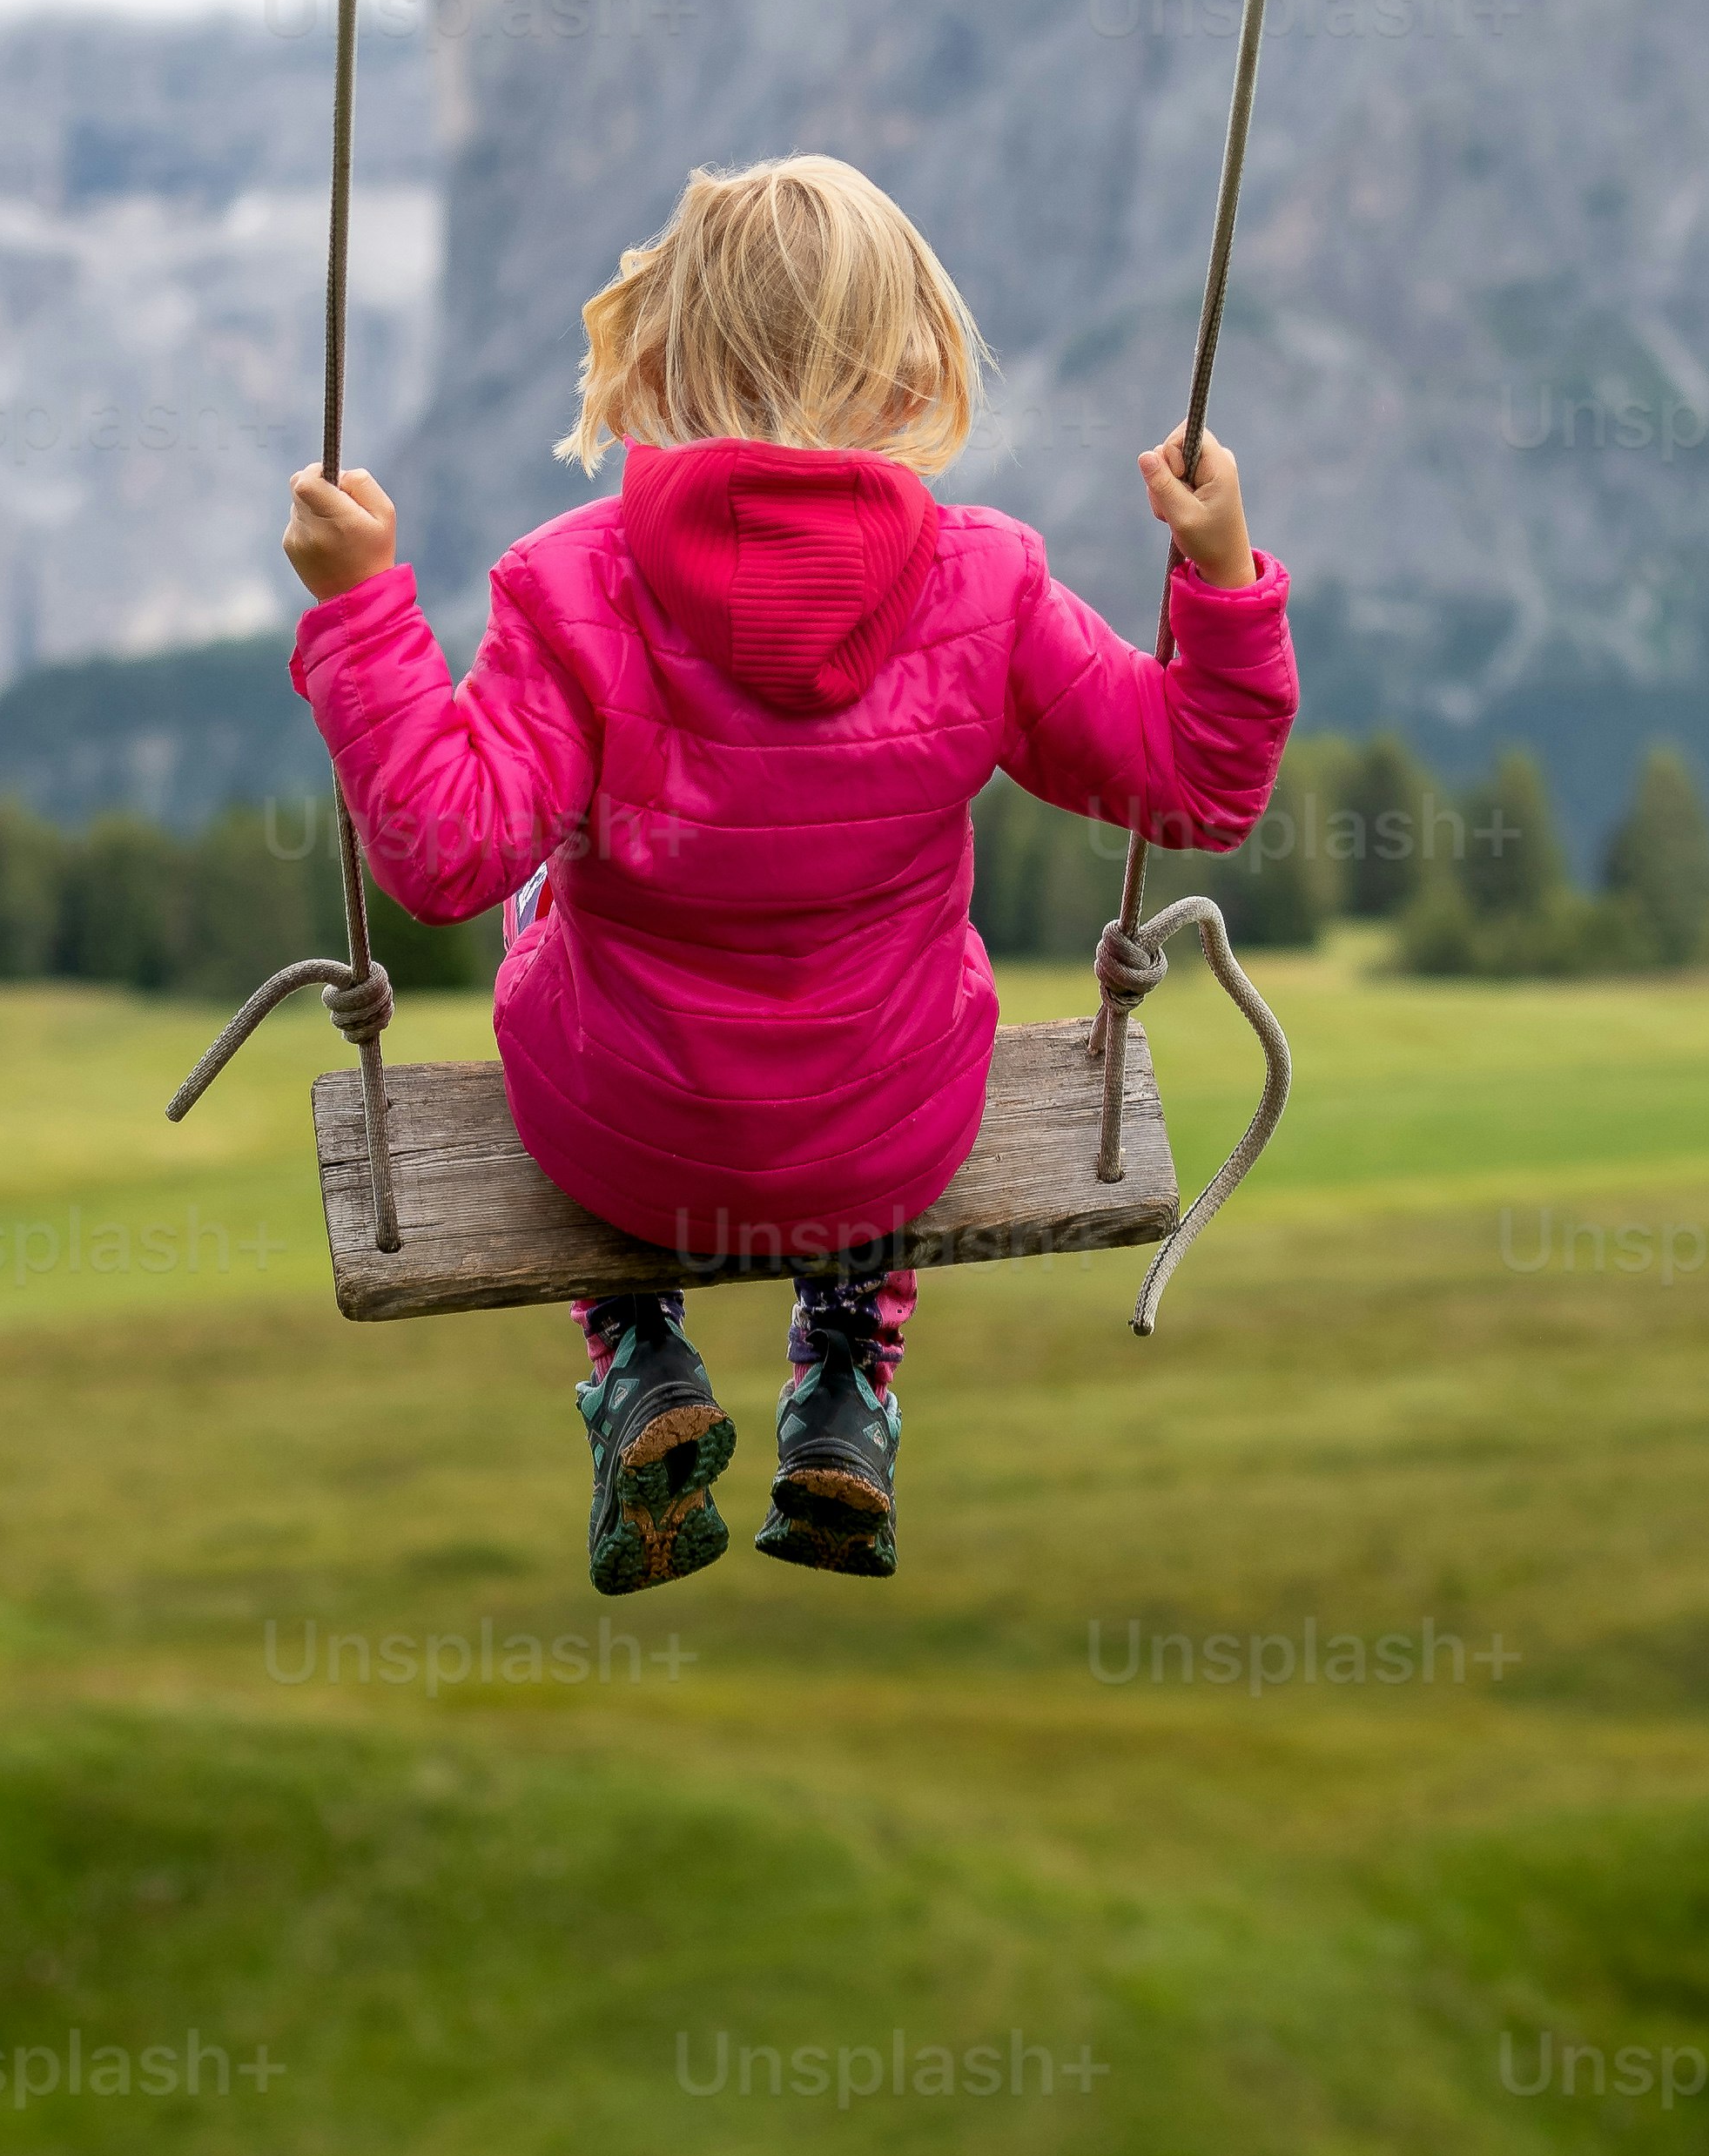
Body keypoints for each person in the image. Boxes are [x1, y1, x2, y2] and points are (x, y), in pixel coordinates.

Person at [282, 151, 1295, 1593]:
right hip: (889, 1130)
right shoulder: (989, 581)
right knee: (896, 982)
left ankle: (638, 1350)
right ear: (904, 382)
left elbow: (446, 854)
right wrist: (1221, 567)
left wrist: (364, 612)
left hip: (625, 1138)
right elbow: (1202, 778)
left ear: (656, 363)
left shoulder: (564, 588)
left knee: (536, 897)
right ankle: (845, 1372)